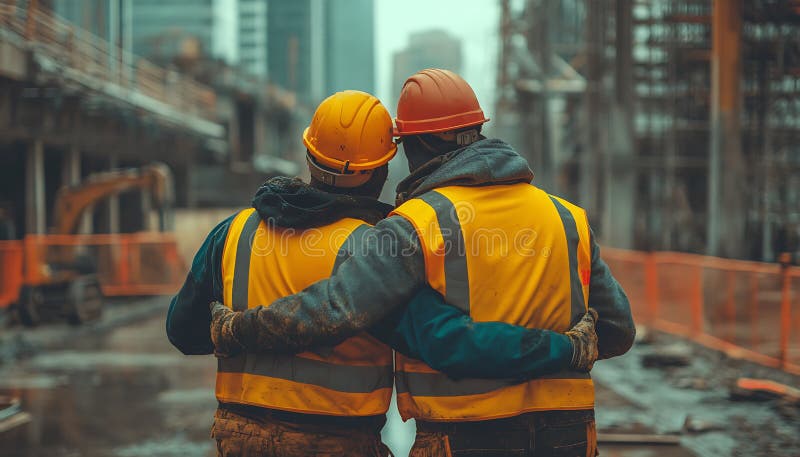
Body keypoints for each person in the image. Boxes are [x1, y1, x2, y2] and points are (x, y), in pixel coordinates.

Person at [210, 70, 635, 456]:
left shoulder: (416, 223)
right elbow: (618, 332)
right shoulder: (567, 218)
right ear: (477, 129)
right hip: (569, 435)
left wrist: (238, 327)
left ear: (414, 145)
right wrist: (571, 347)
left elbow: (337, 308)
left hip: (465, 437)